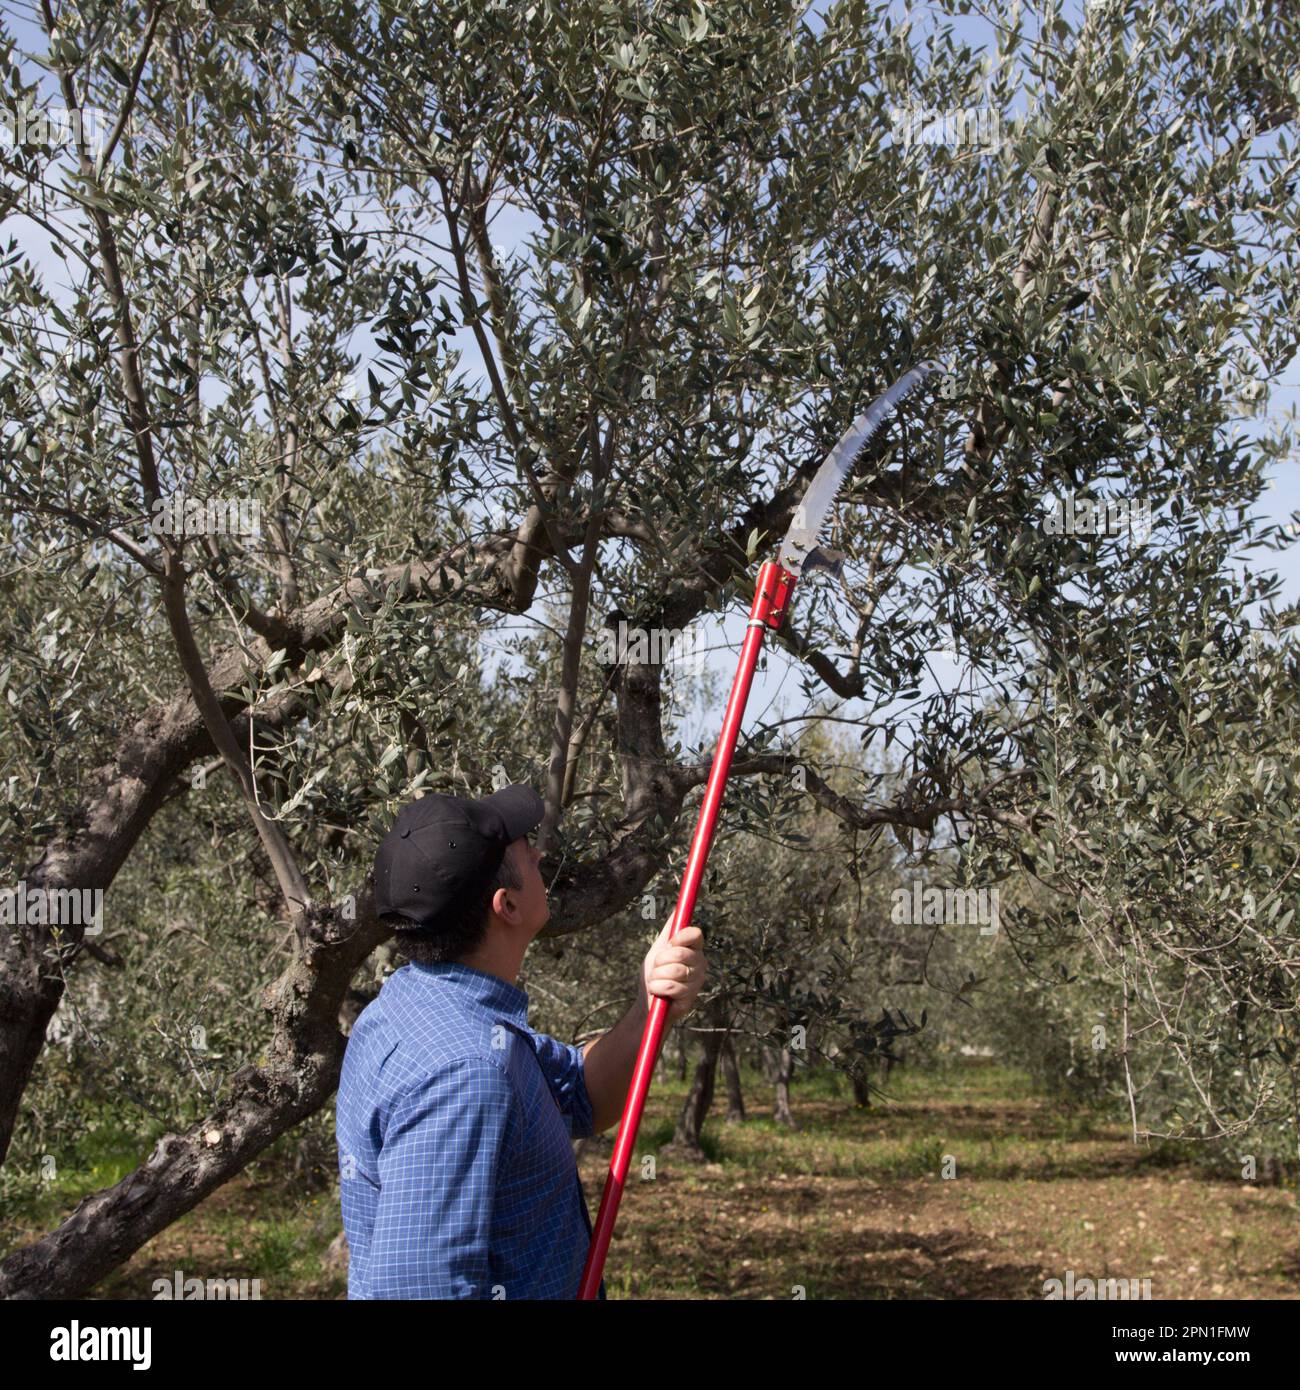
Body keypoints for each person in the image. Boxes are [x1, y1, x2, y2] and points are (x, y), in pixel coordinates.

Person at [336, 783, 706, 1299]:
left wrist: (650, 1005)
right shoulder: (464, 1073)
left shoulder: (421, 1009)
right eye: (522, 851)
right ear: (506, 905)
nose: (538, 852)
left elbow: (581, 1095)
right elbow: (418, 1289)